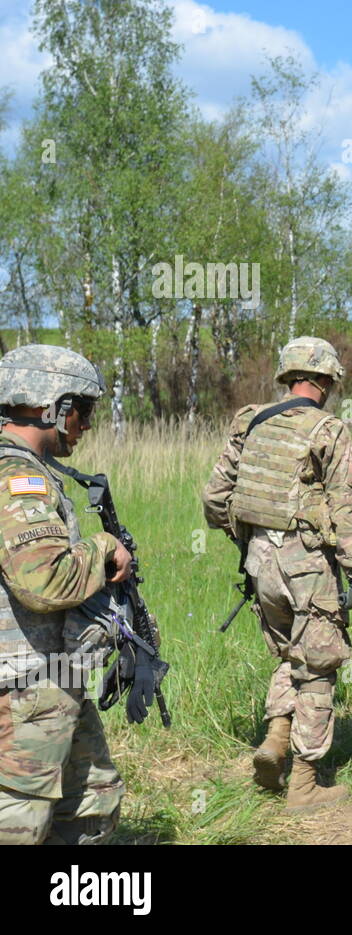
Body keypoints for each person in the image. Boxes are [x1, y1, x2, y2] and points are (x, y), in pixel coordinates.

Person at [202, 336, 352, 814]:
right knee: (318, 665)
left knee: (286, 652)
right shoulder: (330, 430)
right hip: (308, 567)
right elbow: (346, 507)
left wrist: (248, 540)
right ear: (325, 381)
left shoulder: (250, 421)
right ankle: (305, 783)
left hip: (259, 564)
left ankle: (275, 742)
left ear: (289, 376)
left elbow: (215, 498)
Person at [0, 344, 128, 844]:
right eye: (84, 410)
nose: (86, 424)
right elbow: (44, 582)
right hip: (23, 690)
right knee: (20, 824)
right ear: (52, 406)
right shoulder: (18, 479)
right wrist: (104, 548)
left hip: (51, 680)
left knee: (93, 801)